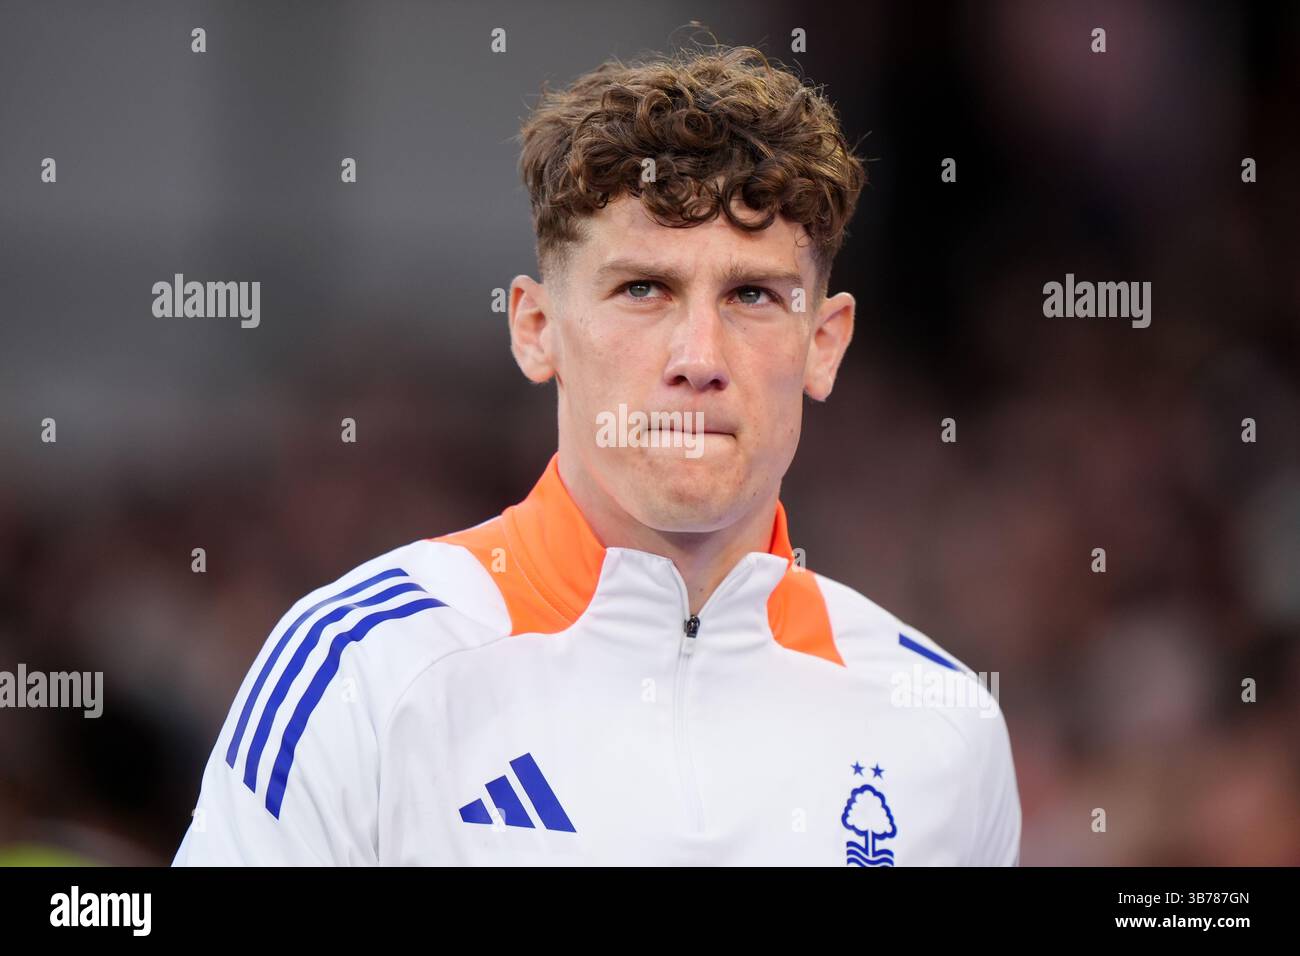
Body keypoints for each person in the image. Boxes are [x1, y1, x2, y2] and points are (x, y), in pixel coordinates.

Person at [174, 43, 1020, 866]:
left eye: (752, 295)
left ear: (824, 344)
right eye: (643, 290)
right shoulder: (361, 672)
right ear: (537, 330)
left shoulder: (943, 727)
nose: (699, 356)